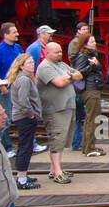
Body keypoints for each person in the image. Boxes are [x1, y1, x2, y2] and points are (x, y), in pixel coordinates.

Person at [35, 42, 82, 184]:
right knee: (57, 138)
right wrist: (70, 76)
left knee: (62, 140)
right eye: (56, 52)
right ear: (47, 53)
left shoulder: (61, 65)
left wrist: (68, 76)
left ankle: (53, 169)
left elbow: (79, 75)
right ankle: (58, 172)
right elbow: (59, 83)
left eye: (60, 51)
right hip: (55, 109)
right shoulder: (44, 67)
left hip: (66, 107)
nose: (60, 54)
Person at [0, 22, 24, 157]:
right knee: (4, 119)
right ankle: (4, 148)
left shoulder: (17, 47)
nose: (17, 34)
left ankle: (11, 147)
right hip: (4, 89)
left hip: (17, 87)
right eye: (14, 32)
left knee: (21, 116)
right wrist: (2, 87)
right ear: (6, 34)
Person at [7, 53, 42, 189]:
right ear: (21, 66)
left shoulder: (23, 78)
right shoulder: (24, 80)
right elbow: (23, 100)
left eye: (33, 62)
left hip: (23, 116)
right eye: (29, 63)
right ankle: (21, 179)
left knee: (26, 146)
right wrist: (31, 114)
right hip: (24, 117)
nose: (32, 64)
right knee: (25, 147)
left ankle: (23, 174)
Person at [72, 34, 107, 156]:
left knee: (90, 118)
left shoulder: (90, 55)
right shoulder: (83, 56)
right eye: (92, 41)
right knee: (92, 119)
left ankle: (87, 146)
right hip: (90, 89)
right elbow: (79, 74)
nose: (95, 43)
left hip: (92, 88)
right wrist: (92, 65)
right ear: (85, 44)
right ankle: (89, 148)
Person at [68, 23, 91, 150]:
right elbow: (74, 60)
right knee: (79, 114)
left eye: (87, 29)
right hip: (79, 84)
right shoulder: (77, 49)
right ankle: (76, 143)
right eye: (83, 29)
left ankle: (78, 142)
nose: (86, 31)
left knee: (81, 114)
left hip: (82, 83)